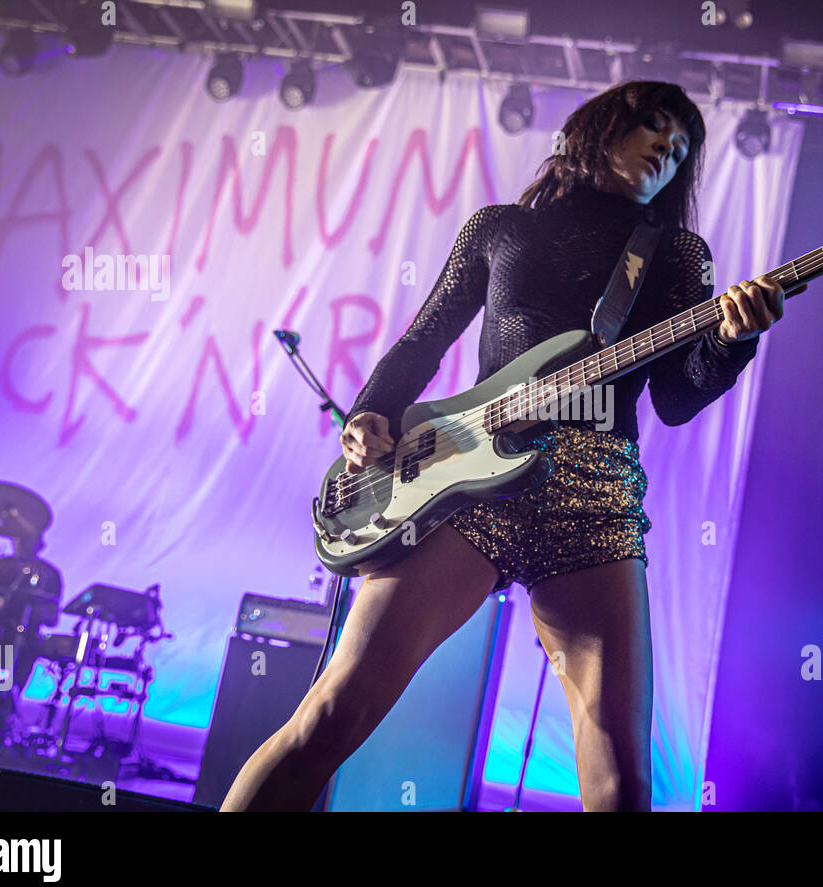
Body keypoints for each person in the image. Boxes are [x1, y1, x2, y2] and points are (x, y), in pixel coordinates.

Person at [221, 80, 783, 812]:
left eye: (680, 149)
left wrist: (733, 343)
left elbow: (676, 400)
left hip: (595, 498)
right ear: (601, 126)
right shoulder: (501, 228)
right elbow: (422, 340)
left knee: (623, 780)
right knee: (332, 714)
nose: (665, 149)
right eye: (653, 127)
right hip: (465, 485)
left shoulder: (677, 254)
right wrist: (371, 413)